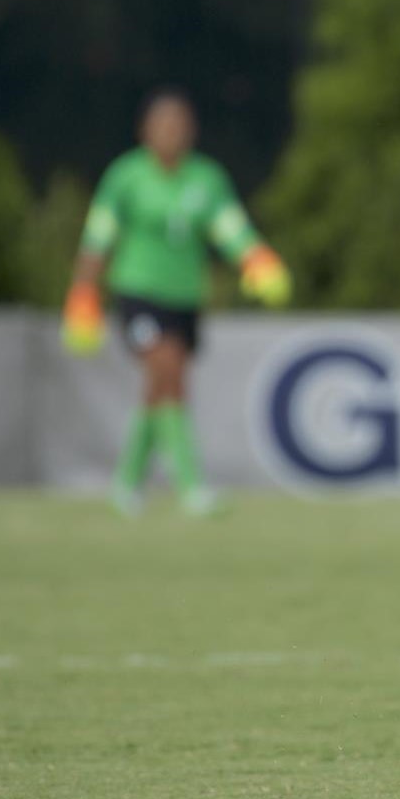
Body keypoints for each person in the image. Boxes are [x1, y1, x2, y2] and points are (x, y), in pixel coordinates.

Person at [62, 89, 291, 516]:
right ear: (145, 131)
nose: (172, 133)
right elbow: (98, 237)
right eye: (164, 125)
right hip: (138, 291)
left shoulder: (207, 178)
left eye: (180, 125)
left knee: (162, 387)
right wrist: (83, 293)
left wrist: (256, 259)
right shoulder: (126, 176)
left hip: (185, 297)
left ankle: (127, 482)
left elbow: (229, 228)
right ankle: (191, 487)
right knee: (166, 370)